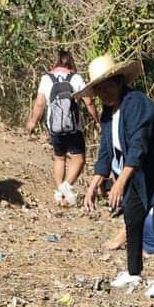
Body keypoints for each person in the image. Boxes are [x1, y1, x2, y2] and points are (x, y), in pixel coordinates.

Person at [79, 54, 154, 300]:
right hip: (141, 173)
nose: (103, 93)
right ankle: (133, 272)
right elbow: (106, 150)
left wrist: (120, 182)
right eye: (98, 89)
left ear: (118, 82)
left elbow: (139, 145)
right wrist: (94, 183)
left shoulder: (137, 103)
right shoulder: (108, 114)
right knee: (132, 214)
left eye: (106, 86)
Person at [27, 50, 99, 207]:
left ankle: (60, 195)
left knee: (59, 158)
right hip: (74, 127)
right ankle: (65, 187)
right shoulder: (76, 78)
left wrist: (33, 122)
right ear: (71, 62)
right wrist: (97, 121)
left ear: (56, 62)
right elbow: (89, 102)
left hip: (54, 127)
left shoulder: (46, 78)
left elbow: (39, 104)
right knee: (79, 159)